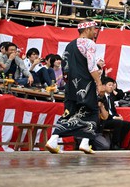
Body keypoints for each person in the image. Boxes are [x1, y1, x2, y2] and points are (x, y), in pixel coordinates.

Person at [45, 21, 104, 154]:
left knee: (70, 112)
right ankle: (84, 142)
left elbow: (65, 68)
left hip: (71, 85)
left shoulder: (69, 46)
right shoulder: (90, 44)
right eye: (94, 29)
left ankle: (54, 139)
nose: (95, 32)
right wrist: (99, 83)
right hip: (85, 84)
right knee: (92, 110)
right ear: (87, 30)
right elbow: (91, 66)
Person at [98, 77, 130, 150]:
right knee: (118, 123)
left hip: (111, 118)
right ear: (104, 86)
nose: (111, 87)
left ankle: (119, 143)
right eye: (109, 85)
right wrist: (114, 118)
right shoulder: (101, 97)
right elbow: (102, 112)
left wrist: (117, 116)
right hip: (103, 120)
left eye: (112, 85)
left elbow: (113, 110)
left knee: (127, 124)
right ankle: (114, 144)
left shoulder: (111, 97)